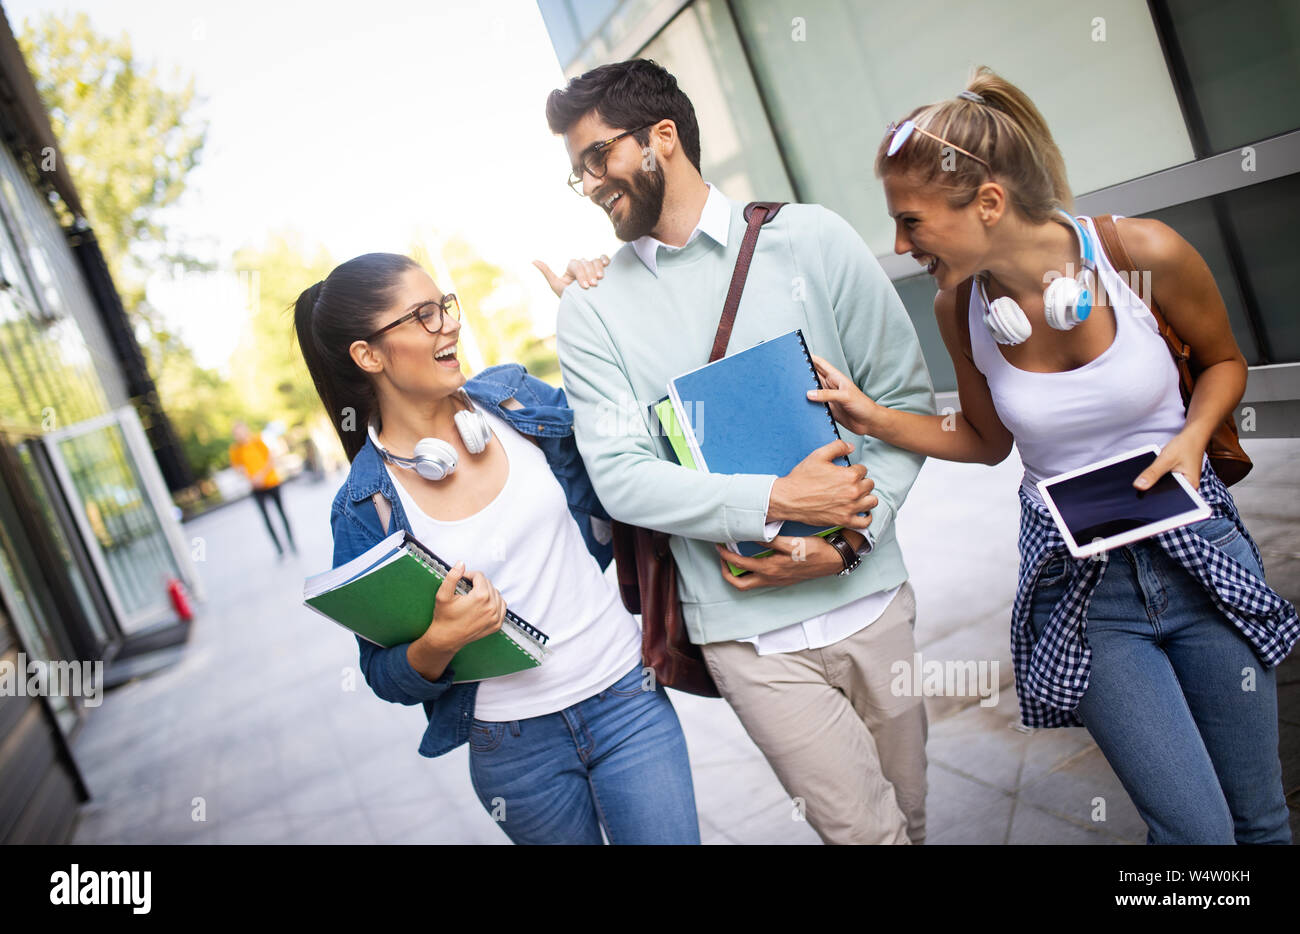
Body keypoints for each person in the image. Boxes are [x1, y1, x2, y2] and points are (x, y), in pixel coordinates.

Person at [808, 67, 1298, 844]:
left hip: (1202, 556)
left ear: (990, 203)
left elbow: (1224, 363)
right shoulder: (958, 307)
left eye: (911, 221)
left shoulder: (1141, 251)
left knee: (1261, 823)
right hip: (1082, 589)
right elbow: (984, 440)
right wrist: (876, 418)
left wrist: (1190, 439)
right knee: (1195, 839)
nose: (901, 245)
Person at [539, 59, 936, 845]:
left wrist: (855, 536)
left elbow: (903, 403)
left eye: (598, 157)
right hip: (748, 637)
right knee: (867, 836)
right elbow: (621, 478)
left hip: (873, 601)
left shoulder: (813, 238)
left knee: (913, 820)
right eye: (576, 171)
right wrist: (781, 503)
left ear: (663, 138)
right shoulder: (592, 314)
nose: (589, 183)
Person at [292, 252, 699, 845]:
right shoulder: (364, 505)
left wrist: (596, 316)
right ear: (369, 355)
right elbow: (383, 674)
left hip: (625, 697)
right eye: (423, 316)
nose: (449, 324)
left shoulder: (514, 401)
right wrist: (441, 640)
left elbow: (632, 437)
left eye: (445, 307)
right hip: (513, 750)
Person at [230, 421, 297, 557]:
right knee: (266, 518)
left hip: (271, 482)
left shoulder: (259, 439)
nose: (239, 436)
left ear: (246, 429)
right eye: (236, 434)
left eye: (240, 432)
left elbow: (271, 459)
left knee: (282, 513)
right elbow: (237, 468)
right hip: (255, 488)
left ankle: (292, 543)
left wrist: (261, 476)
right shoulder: (235, 450)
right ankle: (279, 549)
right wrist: (250, 477)